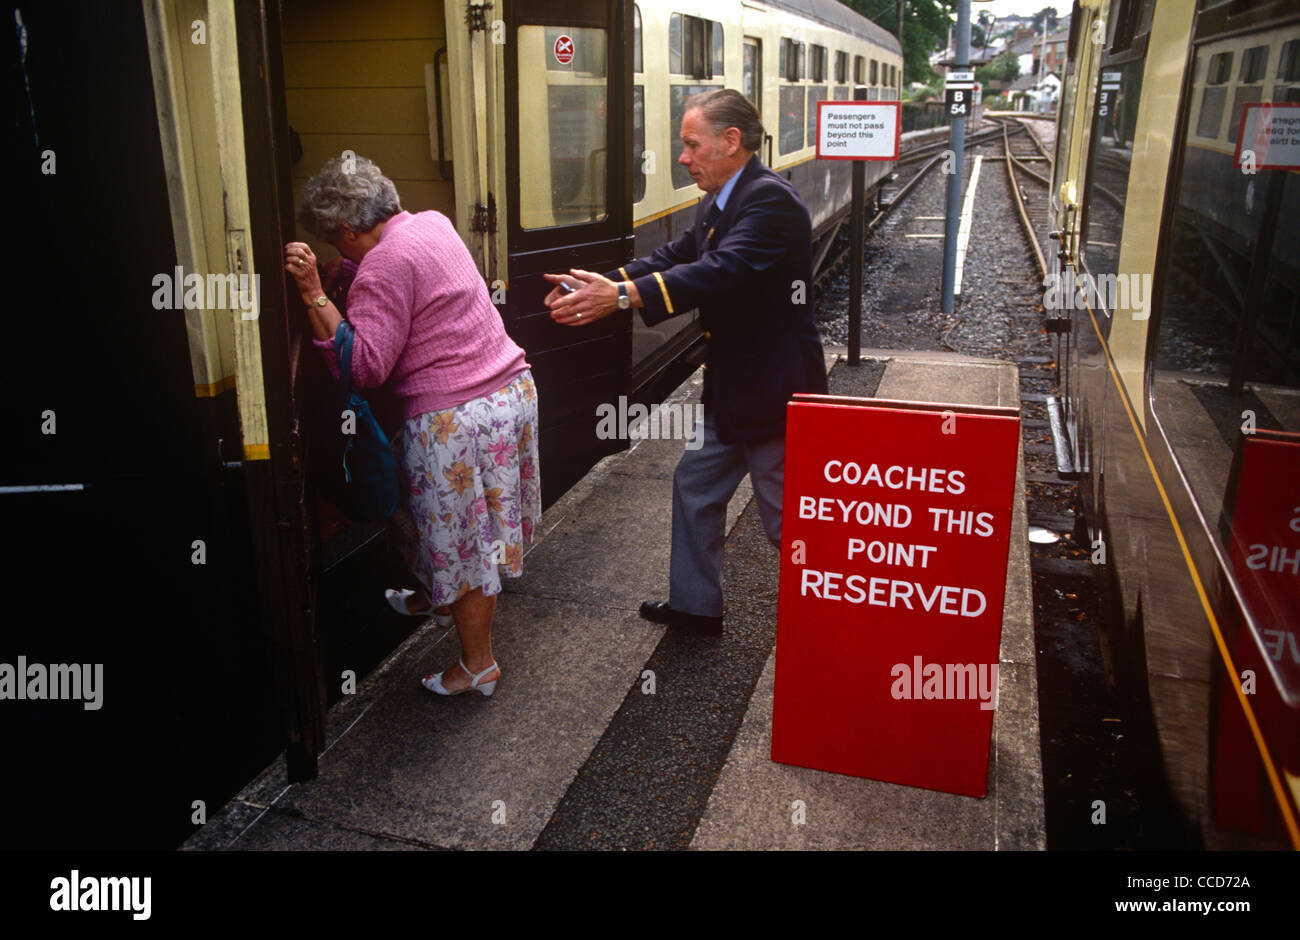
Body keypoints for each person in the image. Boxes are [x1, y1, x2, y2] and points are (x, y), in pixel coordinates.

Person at [544, 88, 826, 635]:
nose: (682, 157)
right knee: (695, 487)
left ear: (731, 141)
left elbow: (719, 271)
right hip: (735, 386)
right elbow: (675, 258)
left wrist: (623, 300)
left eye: (691, 144)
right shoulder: (721, 199)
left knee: (787, 520)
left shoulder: (771, 203)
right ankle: (696, 608)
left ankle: (831, 624)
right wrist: (604, 284)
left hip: (774, 393)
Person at [286, 155, 539, 696]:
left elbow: (366, 366)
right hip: (507, 394)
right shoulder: (433, 224)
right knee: (445, 520)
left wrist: (313, 294)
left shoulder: (383, 264)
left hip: (457, 419)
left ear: (349, 230)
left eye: (337, 242)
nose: (338, 252)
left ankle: (478, 666)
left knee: (466, 544)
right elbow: (411, 292)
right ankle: (437, 596)